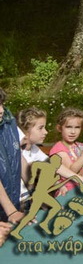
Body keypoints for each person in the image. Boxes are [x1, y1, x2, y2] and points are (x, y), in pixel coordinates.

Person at [17, 107, 83, 203]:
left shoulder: (34, 149)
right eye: (40, 128)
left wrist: (80, 179)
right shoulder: (17, 153)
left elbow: (55, 166)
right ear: (26, 130)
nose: (45, 132)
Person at [0, 87, 22, 225]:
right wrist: (11, 211)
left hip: (12, 205)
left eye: (1, 104)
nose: (1, 110)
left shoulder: (8, 122)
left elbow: (18, 155)